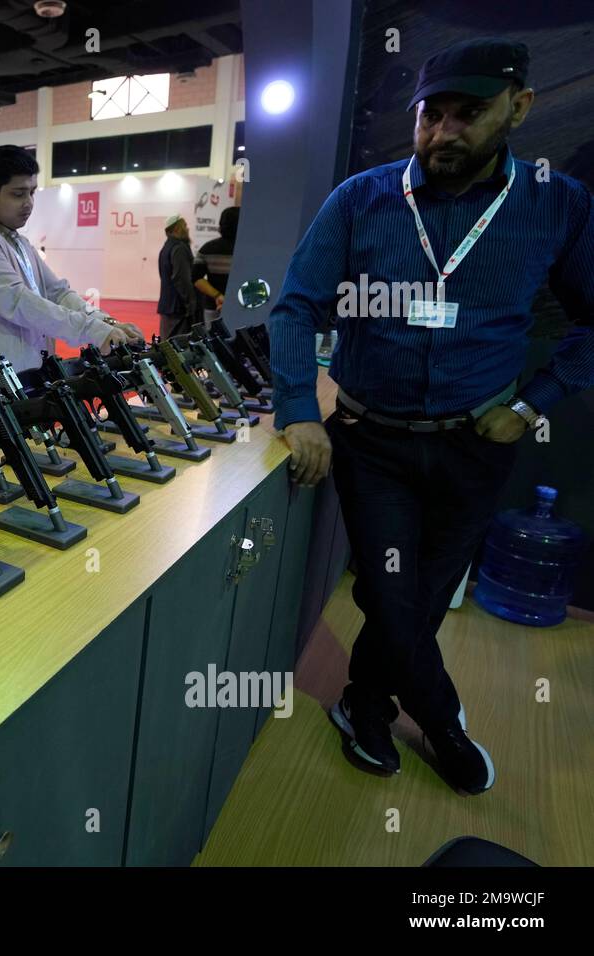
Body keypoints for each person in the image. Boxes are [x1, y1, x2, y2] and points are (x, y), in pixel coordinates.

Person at [270, 38, 594, 794]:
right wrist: (298, 410)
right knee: (387, 592)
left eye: (468, 114)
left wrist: (531, 403)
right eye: (431, 115)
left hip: (477, 444)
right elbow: (295, 306)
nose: (444, 132)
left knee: (424, 594)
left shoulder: (557, 203)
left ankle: (365, 705)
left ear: (519, 107)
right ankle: (443, 722)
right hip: (371, 439)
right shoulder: (363, 198)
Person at [0, 144, 144, 387]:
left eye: (32, 192)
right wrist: (94, 330)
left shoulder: (20, 242)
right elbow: (18, 302)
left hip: (31, 372)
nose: (28, 203)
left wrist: (107, 323)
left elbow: (58, 292)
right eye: (18, 194)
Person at [192, 205, 239, 338]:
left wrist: (217, 296)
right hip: (241, 306)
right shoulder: (248, 251)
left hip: (213, 305)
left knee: (214, 342)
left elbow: (196, 278)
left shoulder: (207, 249)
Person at [157, 214, 198, 339]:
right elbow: (181, 279)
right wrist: (190, 303)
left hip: (169, 304)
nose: (187, 229)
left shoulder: (166, 247)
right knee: (177, 344)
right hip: (178, 307)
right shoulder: (179, 248)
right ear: (176, 229)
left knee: (167, 341)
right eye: (184, 226)